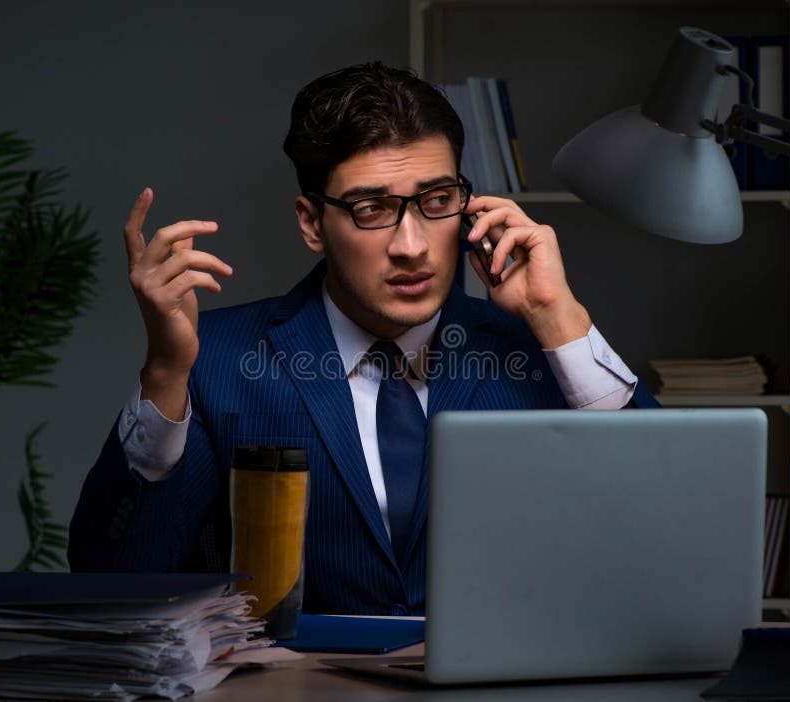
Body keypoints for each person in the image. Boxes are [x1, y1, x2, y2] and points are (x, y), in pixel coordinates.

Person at [68, 62, 658, 615]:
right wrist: (165, 375)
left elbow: (665, 531)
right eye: (371, 208)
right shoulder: (214, 359)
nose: (412, 246)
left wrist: (558, 315)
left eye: (437, 201)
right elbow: (114, 582)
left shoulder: (541, 348)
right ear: (311, 223)